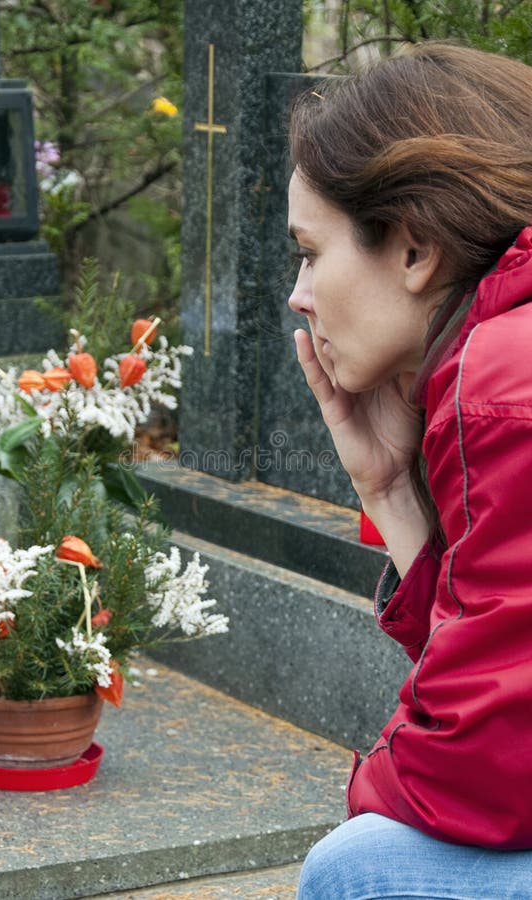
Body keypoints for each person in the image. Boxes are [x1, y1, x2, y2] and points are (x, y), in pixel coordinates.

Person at [287, 41, 532, 899]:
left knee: (358, 870)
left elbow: (482, 770)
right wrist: (390, 491)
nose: (298, 295)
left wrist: (365, 797)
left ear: (415, 250)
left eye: (311, 252)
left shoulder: (503, 373)